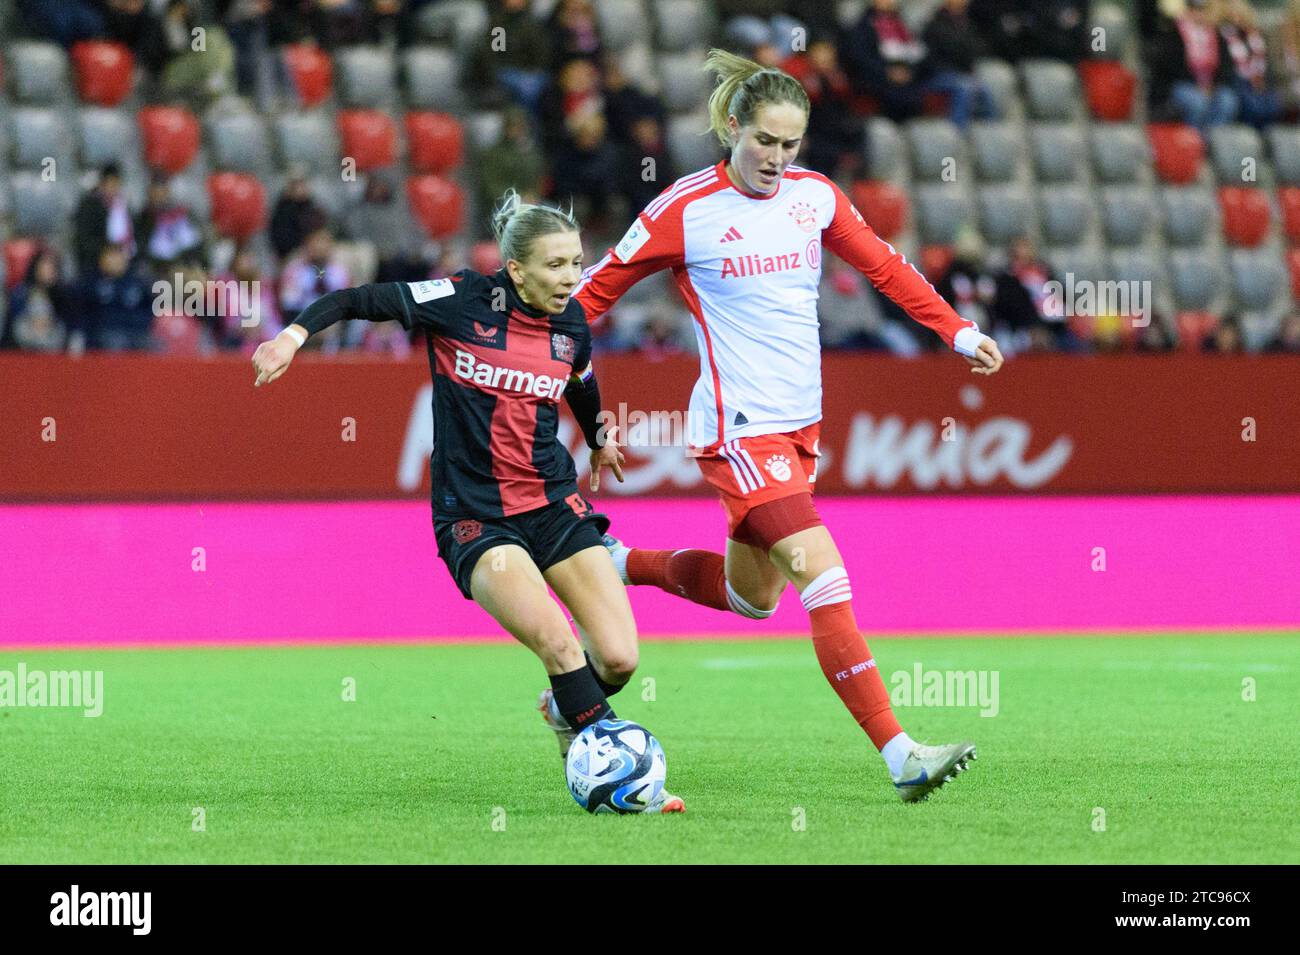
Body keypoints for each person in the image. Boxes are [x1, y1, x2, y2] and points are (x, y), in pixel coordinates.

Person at [574, 49, 1004, 803]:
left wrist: (958, 331)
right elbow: (590, 296)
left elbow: (886, 267)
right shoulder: (684, 208)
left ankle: (619, 562)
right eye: (763, 141)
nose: (776, 158)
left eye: (789, 144)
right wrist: (537, 374)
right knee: (825, 575)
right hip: (738, 427)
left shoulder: (815, 197)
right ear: (733, 127)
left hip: (800, 423)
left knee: (753, 599)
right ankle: (900, 752)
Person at [250, 190, 685, 814]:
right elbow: (357, 298)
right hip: (474, 518)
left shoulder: (571, 322)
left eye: (576, 262)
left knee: (617, 657)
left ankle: (566, 709)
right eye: (556, 265)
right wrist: (292, 337)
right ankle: (624, 778)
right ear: (516, 271)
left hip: (553, 504)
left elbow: (581, 378)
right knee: (561, 647)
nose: (571, 278)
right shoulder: (459, 300)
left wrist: (599, 438)